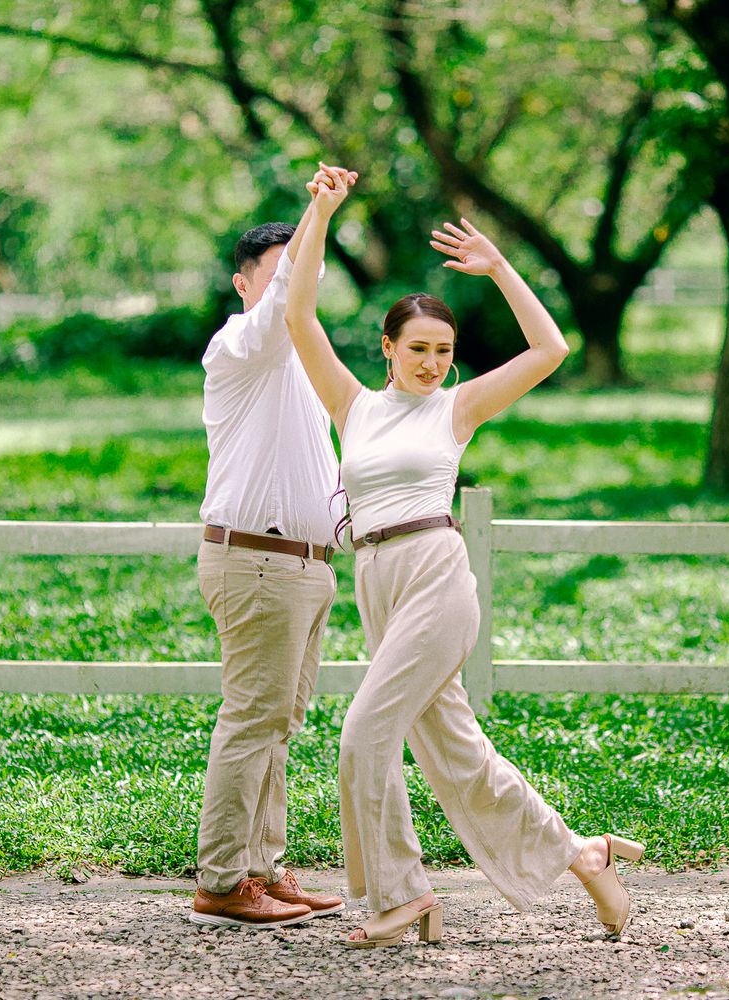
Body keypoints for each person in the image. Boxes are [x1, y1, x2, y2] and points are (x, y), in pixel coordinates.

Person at [283, 164, 644, 948]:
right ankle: (585, 857)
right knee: (457, 754)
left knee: (364, 733)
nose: (432, 362)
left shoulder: (459, 407)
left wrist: (502, 268)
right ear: (387, 347)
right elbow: (299, 312)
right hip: (376, 582)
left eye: (444, 350)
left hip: (436, 576)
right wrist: (321, 212)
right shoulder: (354, 405)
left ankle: (402, 895)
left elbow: (550, 347)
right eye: (418, 348)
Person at [189, 165, 360, 930]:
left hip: (303, 569)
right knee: (252, 719)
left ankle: (264, 867)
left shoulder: (299, 361)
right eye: (283, 272)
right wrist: (318, 211)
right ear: (242, 286)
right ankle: (222, 880)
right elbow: (295, 282)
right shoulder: (240, 346)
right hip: (257, 560)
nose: (300, 284)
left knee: (277, 726)